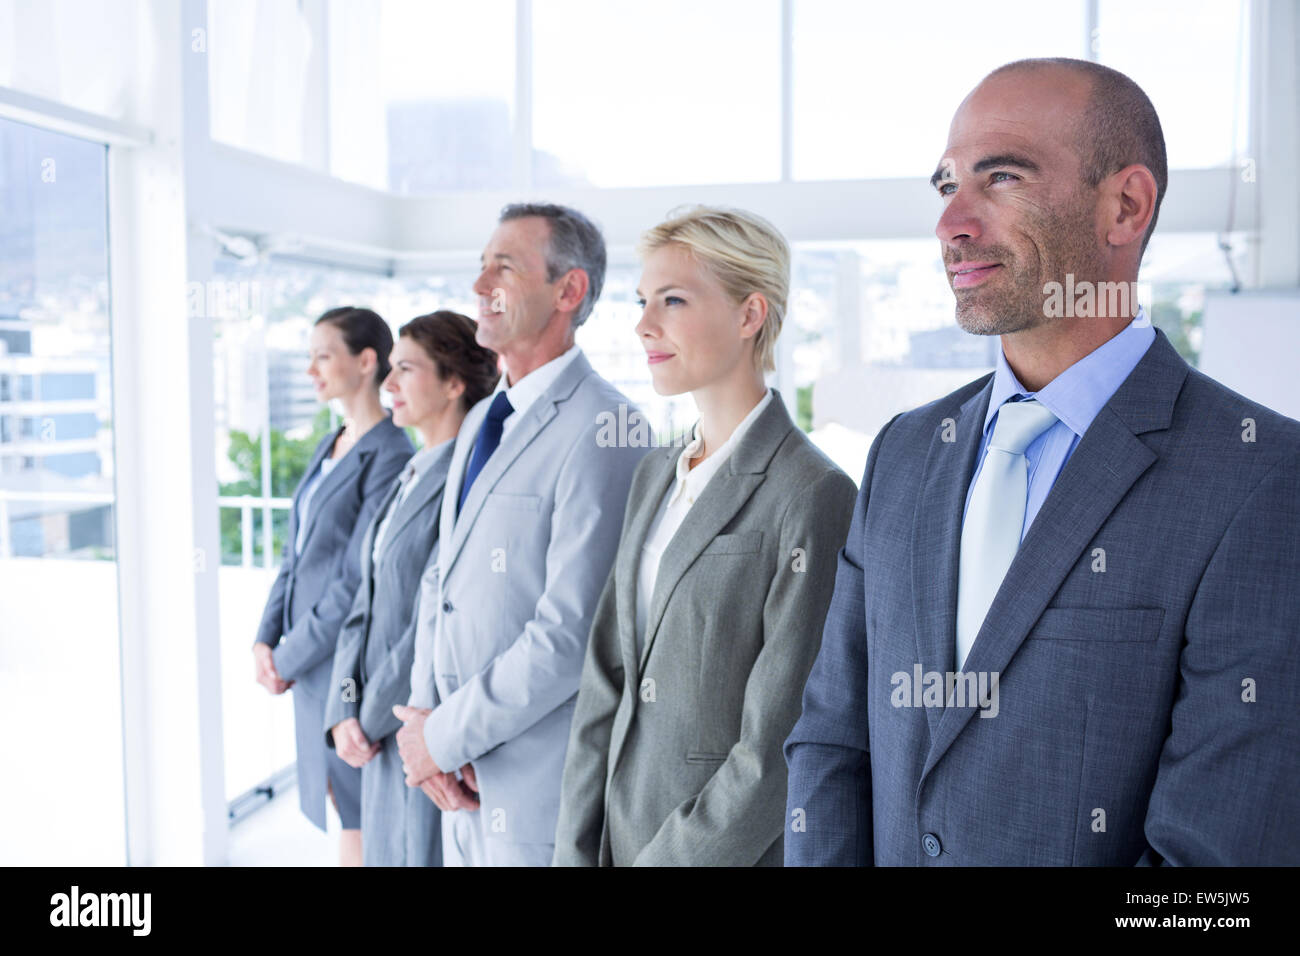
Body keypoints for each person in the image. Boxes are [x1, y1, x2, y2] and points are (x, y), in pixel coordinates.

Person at [784, 57, 1300, 866]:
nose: (952, 223)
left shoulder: (1262, 479)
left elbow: (1218, 865)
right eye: (946, 184)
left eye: (1001, 178)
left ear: (1125, 206)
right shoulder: (906, 454)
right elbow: (831, 740)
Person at [552, 206, 857, 866]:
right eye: (642, 301)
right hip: (615, 840)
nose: (643, 324)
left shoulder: (812, 492)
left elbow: (778, 744)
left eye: (673, 300)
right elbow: (605, 683)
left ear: (750, 316)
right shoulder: (654, 474)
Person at [391, 203, 652, 866]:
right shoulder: (481, 419)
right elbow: (439, 580)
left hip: (536, 790)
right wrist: (424, 724)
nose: (479, 286)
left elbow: (570, 635)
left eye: (502, 268)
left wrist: (442, 737)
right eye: (480, 267)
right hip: (458, 777)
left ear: (569, 291)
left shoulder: (606, 429)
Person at [323, 311, 499, 867]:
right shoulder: (411, 474)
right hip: (373, 729)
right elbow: (363, 600)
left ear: (454, 383)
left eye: (406, 369)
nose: (388, 384)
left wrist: (369, 718)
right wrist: (342, 709)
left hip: (410, 726)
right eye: (389, 369)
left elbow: (435, 621)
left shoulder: (466, 484)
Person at [252, 306, 413, 866]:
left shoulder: (392, 455)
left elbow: (353, 582)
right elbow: (294, 556)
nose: (310, 371)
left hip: (339, 664)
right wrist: (264, 640)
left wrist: (288, 657)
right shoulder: (331, 443)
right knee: (343, 809)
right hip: (306, 665)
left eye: (323, 356)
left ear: (366, 361)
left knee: (359, 810)